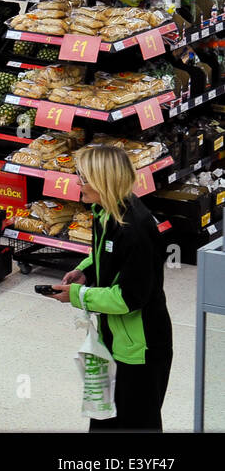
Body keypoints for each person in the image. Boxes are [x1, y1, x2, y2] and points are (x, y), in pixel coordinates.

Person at [45, 144, 173, 431]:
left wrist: (78, 296)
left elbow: (130, 298)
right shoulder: (105, 213)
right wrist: (85, 271)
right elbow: (105, 254)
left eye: (84, 177)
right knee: (104, 419)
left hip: (140, 348)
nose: (78, 182)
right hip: (112, 337)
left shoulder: (136, 229)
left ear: (104, 181)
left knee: (136, 423)